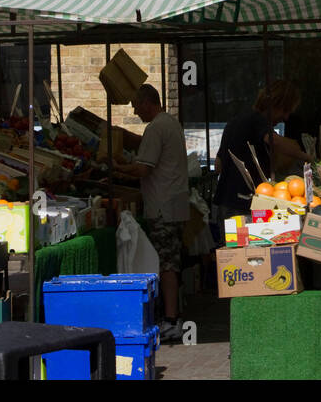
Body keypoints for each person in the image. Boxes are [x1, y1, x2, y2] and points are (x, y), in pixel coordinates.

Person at [116, 84, 190, 343]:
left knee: (167, 264)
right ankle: (173, 315)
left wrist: (116, 168)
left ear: (147, 103)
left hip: (162, 206)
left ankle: (170, 320)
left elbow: (143, 169)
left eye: (136, 106)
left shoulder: (156, 127)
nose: (135, 111)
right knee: (172, 263)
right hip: (174, 204)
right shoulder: (171, 123)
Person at [211, 79, 310, 218]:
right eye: (285, 110)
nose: (286, 117)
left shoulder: (235, 122)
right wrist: (308, 157)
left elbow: (218, 165)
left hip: (224, 203)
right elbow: (274, 140)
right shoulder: (257, 120)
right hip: (242, 205)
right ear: (275, 104)